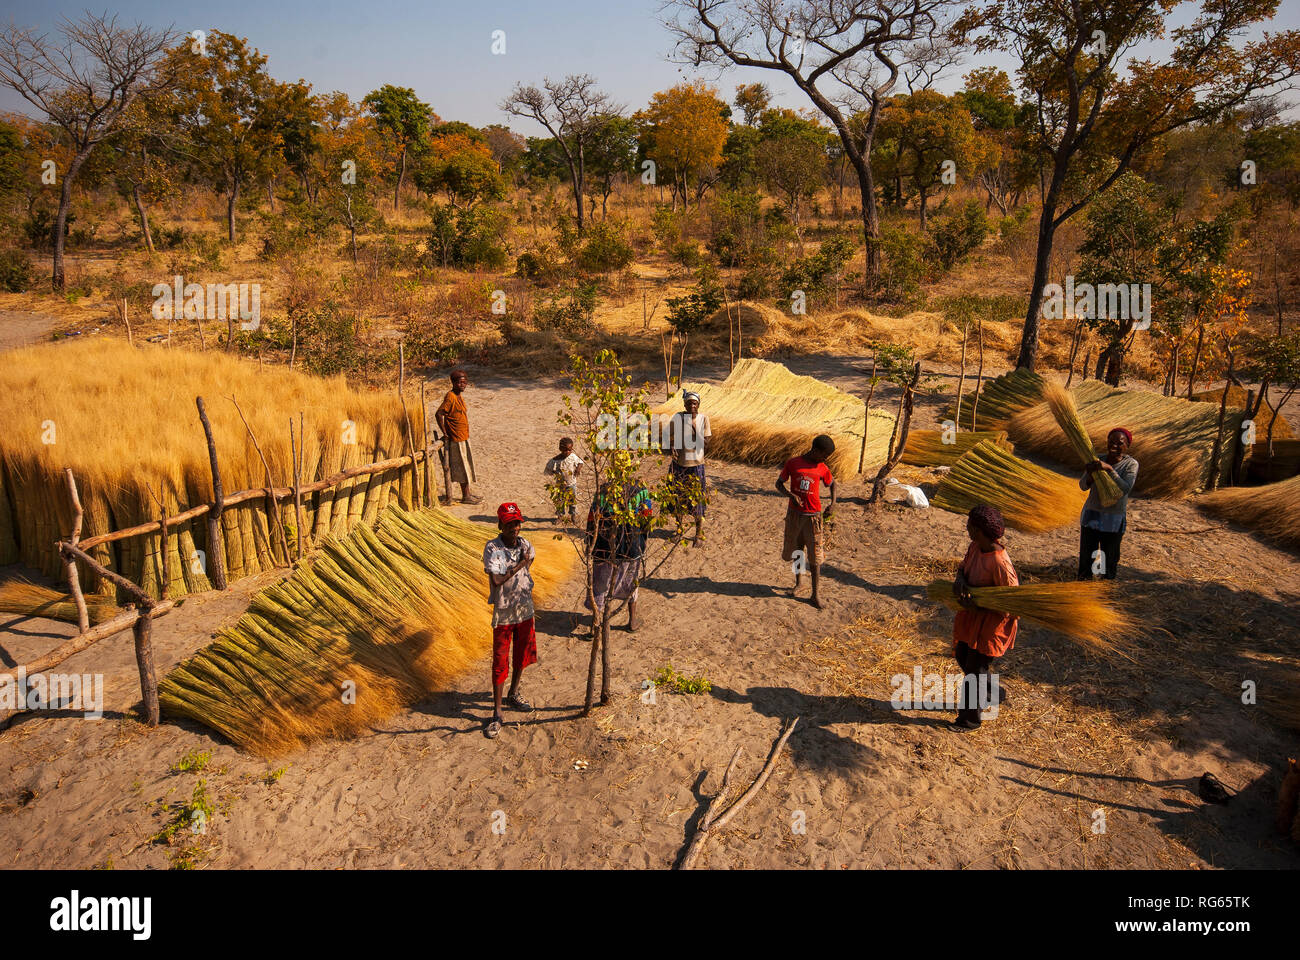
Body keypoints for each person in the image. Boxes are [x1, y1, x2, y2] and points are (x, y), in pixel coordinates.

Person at [951, 505, 1019, 730]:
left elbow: (1010, 605)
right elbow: (963, 567)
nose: (966, 527)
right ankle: (992, 691)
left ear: (978, 530)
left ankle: (969, 720)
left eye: (969, 524)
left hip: (991, 624)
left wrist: (980, 607)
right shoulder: (975, 546)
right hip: (972, 617)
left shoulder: (1000, 563)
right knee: (962, 654)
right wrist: (960, 580)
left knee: (974, 671)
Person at [482, 502, 536, 738]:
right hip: (504, 612)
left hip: (524, 609)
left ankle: (513, 693)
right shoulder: (493, 549)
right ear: (500, 525)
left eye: (517, 523)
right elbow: (497, 580)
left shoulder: (526, 545)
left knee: (522, 654)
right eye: (509, 524)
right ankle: (497, 713)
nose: (514, 528)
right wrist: (520, 564)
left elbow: (528, 569)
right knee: (500, 660)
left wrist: (523, 564)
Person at [585, 471, 653, 633]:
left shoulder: (604, 490)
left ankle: (595, 626)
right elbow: (647, 518)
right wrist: (642, 540)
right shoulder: (640, 490)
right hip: (631, 547)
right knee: (631, 583)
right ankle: (632, 621)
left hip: (604, 547)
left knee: (600, 586)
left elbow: (592, 519)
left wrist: (590, 543)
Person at [776, 435, 836, 609]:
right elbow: (779, 484)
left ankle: (815, 595)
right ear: (815, 450)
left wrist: (833, 503)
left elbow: (832, 484)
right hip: (795, 514)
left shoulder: (823, 468)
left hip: (814, 517)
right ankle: (798, 583)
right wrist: (790, 495)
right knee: (797, 550)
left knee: (815, 556)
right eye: (824, 455)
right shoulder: (793, 463)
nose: (825, 459)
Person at [1077, 427, 1139, 580]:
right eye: (1111, 442)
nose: (1114, 446)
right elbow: (1083, 486)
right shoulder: (1097, 459)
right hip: (1092, 514)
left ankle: (1105, 590)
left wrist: (1110, 469)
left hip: (1113, 518)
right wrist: (1090, 475)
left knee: (1108, 558)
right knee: (1087, 556)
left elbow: (1125, 488)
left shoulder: (1130, 464)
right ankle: (1083, 586)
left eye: (1120, 443)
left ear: (1127, 446)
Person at [664, 391, 711, 547]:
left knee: (697, 500)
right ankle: (679, 530)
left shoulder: (703, 419)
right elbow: (666, 435)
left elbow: (706, 444)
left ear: (698, 404)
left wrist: (693, 431)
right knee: (677, 498)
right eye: (689, 403)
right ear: (684, 405)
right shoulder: (677, 418)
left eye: (694, 403)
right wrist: (672, 445)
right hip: (679, 465)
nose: (692, 406)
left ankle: (698, 533)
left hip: (696, 465)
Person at [435, 369, 483, 505]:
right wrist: (444, 433)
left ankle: (467, 494)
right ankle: (465, 497)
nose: (463, 385)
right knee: (462, 468)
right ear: (454, 383)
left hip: (463, 436)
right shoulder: (450, 397)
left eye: (465, 382)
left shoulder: (458, 396)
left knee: (466, 466)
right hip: (456, 438)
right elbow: (439, 414)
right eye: (460, 382)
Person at [543, 437, 583, 524]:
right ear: (560, 449)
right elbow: (548, 469)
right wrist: (555, 472)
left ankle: (573, 516)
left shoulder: (573, 457)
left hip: (571, 484)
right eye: (565, 450)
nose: (568, 452)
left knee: (572, 501)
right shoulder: (555, 460)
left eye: (570, 450)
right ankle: (560, 516)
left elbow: (580, 462)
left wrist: (578, 469)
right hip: (560, 486)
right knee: (560, 501)